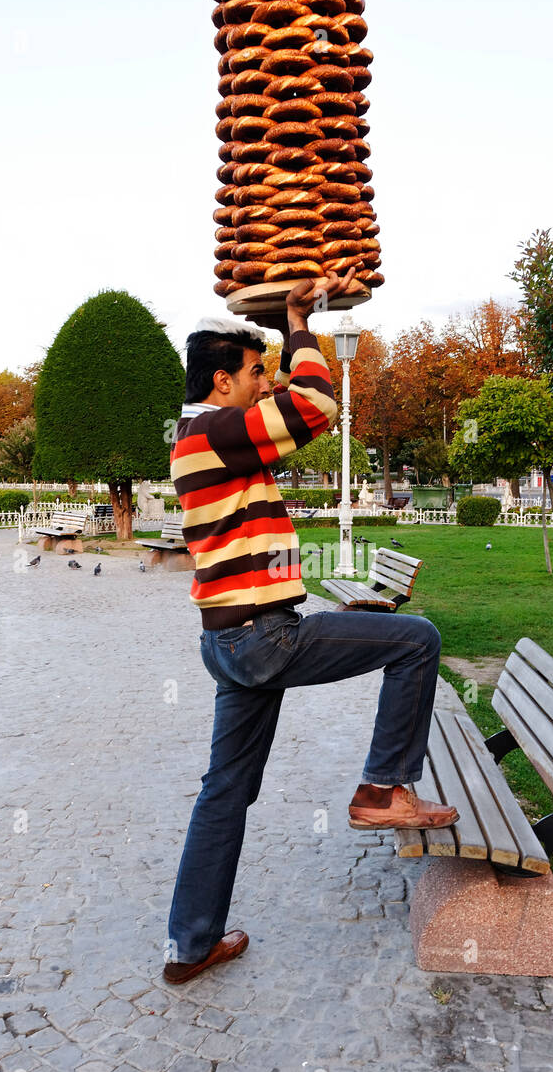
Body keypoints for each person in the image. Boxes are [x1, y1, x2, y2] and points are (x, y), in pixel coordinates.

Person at [164, 270, 458, 986]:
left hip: (232, 642)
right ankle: (382, 791)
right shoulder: (216, 431)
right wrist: (299, 321)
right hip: (260, 641)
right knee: (417, 640)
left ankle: (192, 944)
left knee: (224, 791)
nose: (266, 384)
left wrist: (326, 611)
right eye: (256, 373)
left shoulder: (208, 442)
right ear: (224, 381)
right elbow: (319, 404)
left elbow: (250, 549)